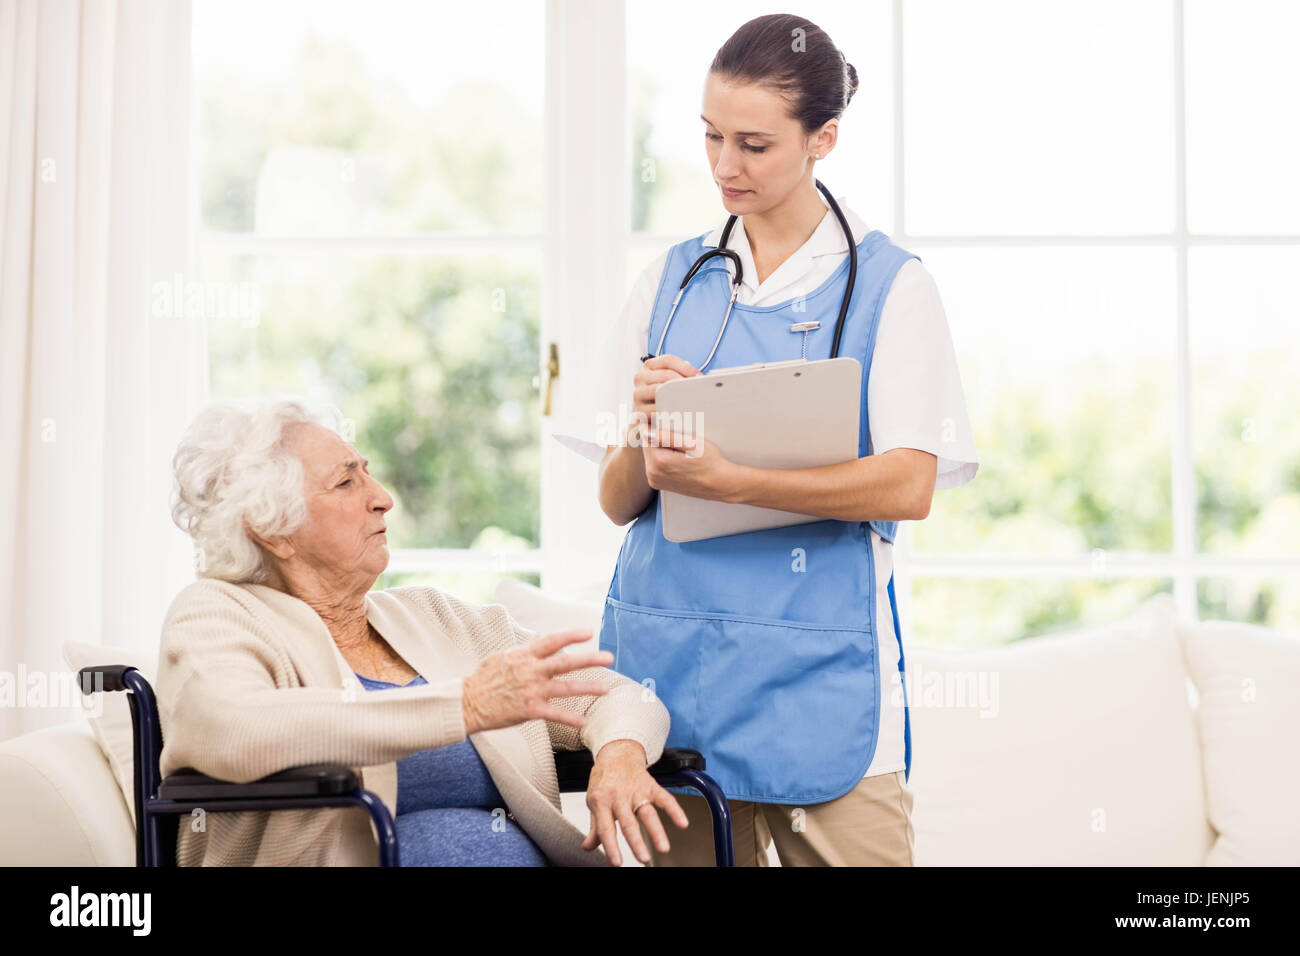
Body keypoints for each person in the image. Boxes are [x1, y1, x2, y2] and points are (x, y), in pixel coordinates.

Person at [595, 14, 980, 866]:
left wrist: (736, 480)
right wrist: (642, 428)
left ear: (823, 138)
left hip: (820, 687)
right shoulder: (669, 279)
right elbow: (619, 501)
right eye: (710, 136)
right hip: (669, 682)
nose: (725, 165)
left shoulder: (892, 288)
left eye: (755, 144)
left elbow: (908, 486)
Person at [159, 397, 688, 866]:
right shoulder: (216, 615)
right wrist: (465, 708)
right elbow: (238, 730)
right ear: (271, 527)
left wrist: (620, 753)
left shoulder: (436, 617)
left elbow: (621, 697)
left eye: (368, 473)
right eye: (347, 482)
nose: (384, 497)